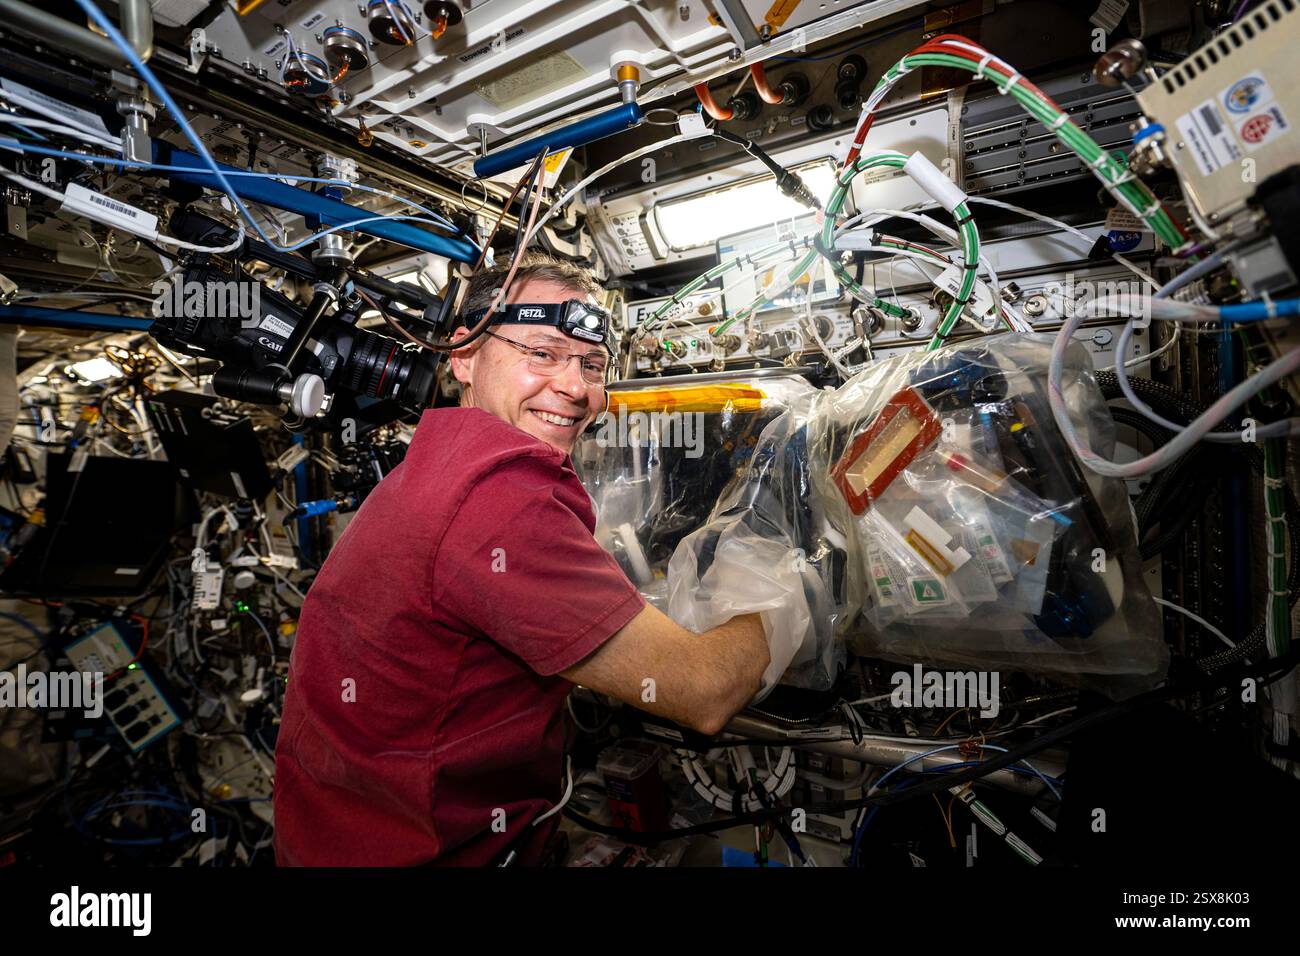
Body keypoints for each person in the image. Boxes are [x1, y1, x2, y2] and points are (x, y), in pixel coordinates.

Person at [274, 253, 771, 866]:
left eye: (592, 364)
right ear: (463, 356)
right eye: (542, 352)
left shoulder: (438, 465)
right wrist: (777, 602)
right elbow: (705, 692)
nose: (574, 387)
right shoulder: (499, 501)